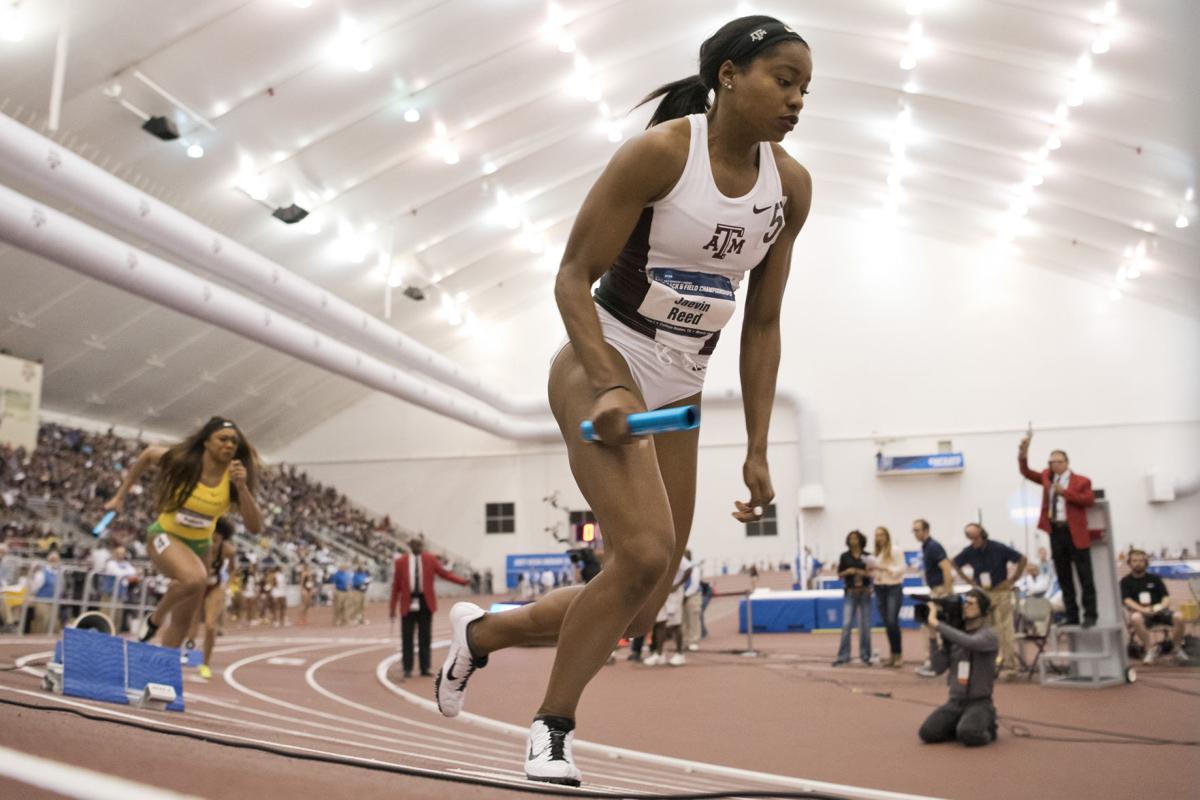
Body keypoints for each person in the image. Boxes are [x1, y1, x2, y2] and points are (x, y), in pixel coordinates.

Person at [430, 15, 812, 787]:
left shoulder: (791, 188)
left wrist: (759, 446)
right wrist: (607, 381)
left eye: (806, 87)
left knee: (639, 607)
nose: (798, 99)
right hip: (602, 356)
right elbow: (572, 276)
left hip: (682, 386)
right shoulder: (661, 155)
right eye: (784, 78)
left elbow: (764, 320)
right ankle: (551, 729)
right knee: (640, 553)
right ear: (729, 75)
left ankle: (485, 634)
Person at [104, 417, 263, 648]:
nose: (229, 445)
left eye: (233, 442)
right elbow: (148, 455)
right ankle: (156, 617)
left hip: (200, 546)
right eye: (223, 439)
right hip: (164, 536)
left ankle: (161, 668)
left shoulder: (233, 477)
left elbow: (255, 527)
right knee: (195, 578)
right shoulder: (185, 462)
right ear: (206, 441)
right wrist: (121, 495)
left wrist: (242, 488)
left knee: (183, 619)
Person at [1018, 435, 1097, 626]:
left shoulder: (1082, 481)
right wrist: (1023, 453)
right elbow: (1026, 472)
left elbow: (1088, 500)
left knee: (1085, 576)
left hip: (1075, 532)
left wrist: (1065, 493)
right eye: (1051, 462)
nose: (1054, 465)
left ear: (1067, 463)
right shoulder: (1047, 477)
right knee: (1063, 576)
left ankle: (1090, 615)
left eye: (1058, 462)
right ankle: (1072, 615)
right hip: (1056, 531)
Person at [917, 589, 1000, 748]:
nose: (966, 606)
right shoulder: (955, 634)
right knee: (927, 733)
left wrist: (938, 624)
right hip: (955, 702)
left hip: (980, 702)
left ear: (982, 608)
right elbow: (937, 667)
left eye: (971, 603)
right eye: (965, 602)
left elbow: (970, 642)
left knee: (969, 734)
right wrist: (933, 635)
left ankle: (988, 725)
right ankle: (963, 724)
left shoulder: (989, 634)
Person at [952, 524, 1026, 677]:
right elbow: (954, 562)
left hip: (1001, 592)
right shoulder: (969, 551)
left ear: (982, 534)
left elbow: (1022, 559)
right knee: (986, 630)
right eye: (970, 538)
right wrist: (969, 580)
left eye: (976, 537)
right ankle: (989, 665)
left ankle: (1010, 665)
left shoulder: (998, 547)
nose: (974, 541)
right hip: (984, 594)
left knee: (1005, 629)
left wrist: (1013, 579)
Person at [389, 538, 469, 679]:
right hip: (408, 602)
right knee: (407, 637)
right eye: (415, 545)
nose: (418, 547)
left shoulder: (430, 559)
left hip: (425, 602)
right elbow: (396, 586)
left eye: (420, 545)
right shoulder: (401, 562)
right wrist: (392, 608)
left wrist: (462, 582)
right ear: (410, 546)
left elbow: (445, 574)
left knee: (425, 636)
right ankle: (407, 668)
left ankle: (425, 667)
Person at [1120, 549, 1189, 664]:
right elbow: (1127, 600)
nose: (1138, 563)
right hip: (1141, 613)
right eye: (1134, 561)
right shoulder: (1125, 581)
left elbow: (1166, 598)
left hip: (1160, 611)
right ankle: (1149, 650)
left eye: (1141, 561)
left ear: (1146, 563)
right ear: (1129, 563)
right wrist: (1143, 610)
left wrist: (1160, 608)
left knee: (1179, 616)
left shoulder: (1155, 579)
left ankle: (1177, 649)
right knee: (1135, 617)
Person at [913, 519, 954, 678]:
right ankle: (935, 661)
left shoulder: (933, 546)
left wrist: (946, 592)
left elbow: (946, 567)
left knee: (931, 625)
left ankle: (933, 662)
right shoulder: (927, 547)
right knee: (932, 626)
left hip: (940, 591)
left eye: (917, 530)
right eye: (914, 530)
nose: (915, 533)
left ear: (926, 530)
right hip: (935, 590)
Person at [195, 517, 236, 680]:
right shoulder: (199, 544)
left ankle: (205, 663)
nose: (215, 537)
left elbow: (233, 570)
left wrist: (229, 586)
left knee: (211, 626)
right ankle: (176, 652)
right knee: (188, 622)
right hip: (197, 583)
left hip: (215, 586)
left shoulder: (228, 551)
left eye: (219, 535)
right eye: (213, 533)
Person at [833, 530, 872, 666]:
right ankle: (843, 655)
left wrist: (860, 572)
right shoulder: (844, 556)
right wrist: (848, 572)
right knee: (846, 624)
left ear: (860, 540)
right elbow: (839, 574)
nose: (853, 541)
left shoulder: (868, 556)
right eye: (850, 538)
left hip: (864, 593)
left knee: (865, 626)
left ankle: (865, 656)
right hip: (850, 592)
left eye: (855, 538)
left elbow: (872, 573)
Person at [869, 526, 906, 668]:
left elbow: (901, 569)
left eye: (882, 535)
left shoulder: (895, 550)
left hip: (893, 588)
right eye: (877, 535)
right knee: (887, 623)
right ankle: (893, 654)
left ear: (887, 536)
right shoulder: (876, 553)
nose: (879, 538)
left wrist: (885, 569)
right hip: (879, 588)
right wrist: (873, 571)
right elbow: (876, 573)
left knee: (892, 621)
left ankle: (898, 654)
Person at [681, 549, 703, 652]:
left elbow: (694, 585)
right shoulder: (682, 568)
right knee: (684, 620)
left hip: (692, 596)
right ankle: (685, 641)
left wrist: (685, 595)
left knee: (693, 619)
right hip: (682, 596)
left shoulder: (694, 568)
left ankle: (694, 641)